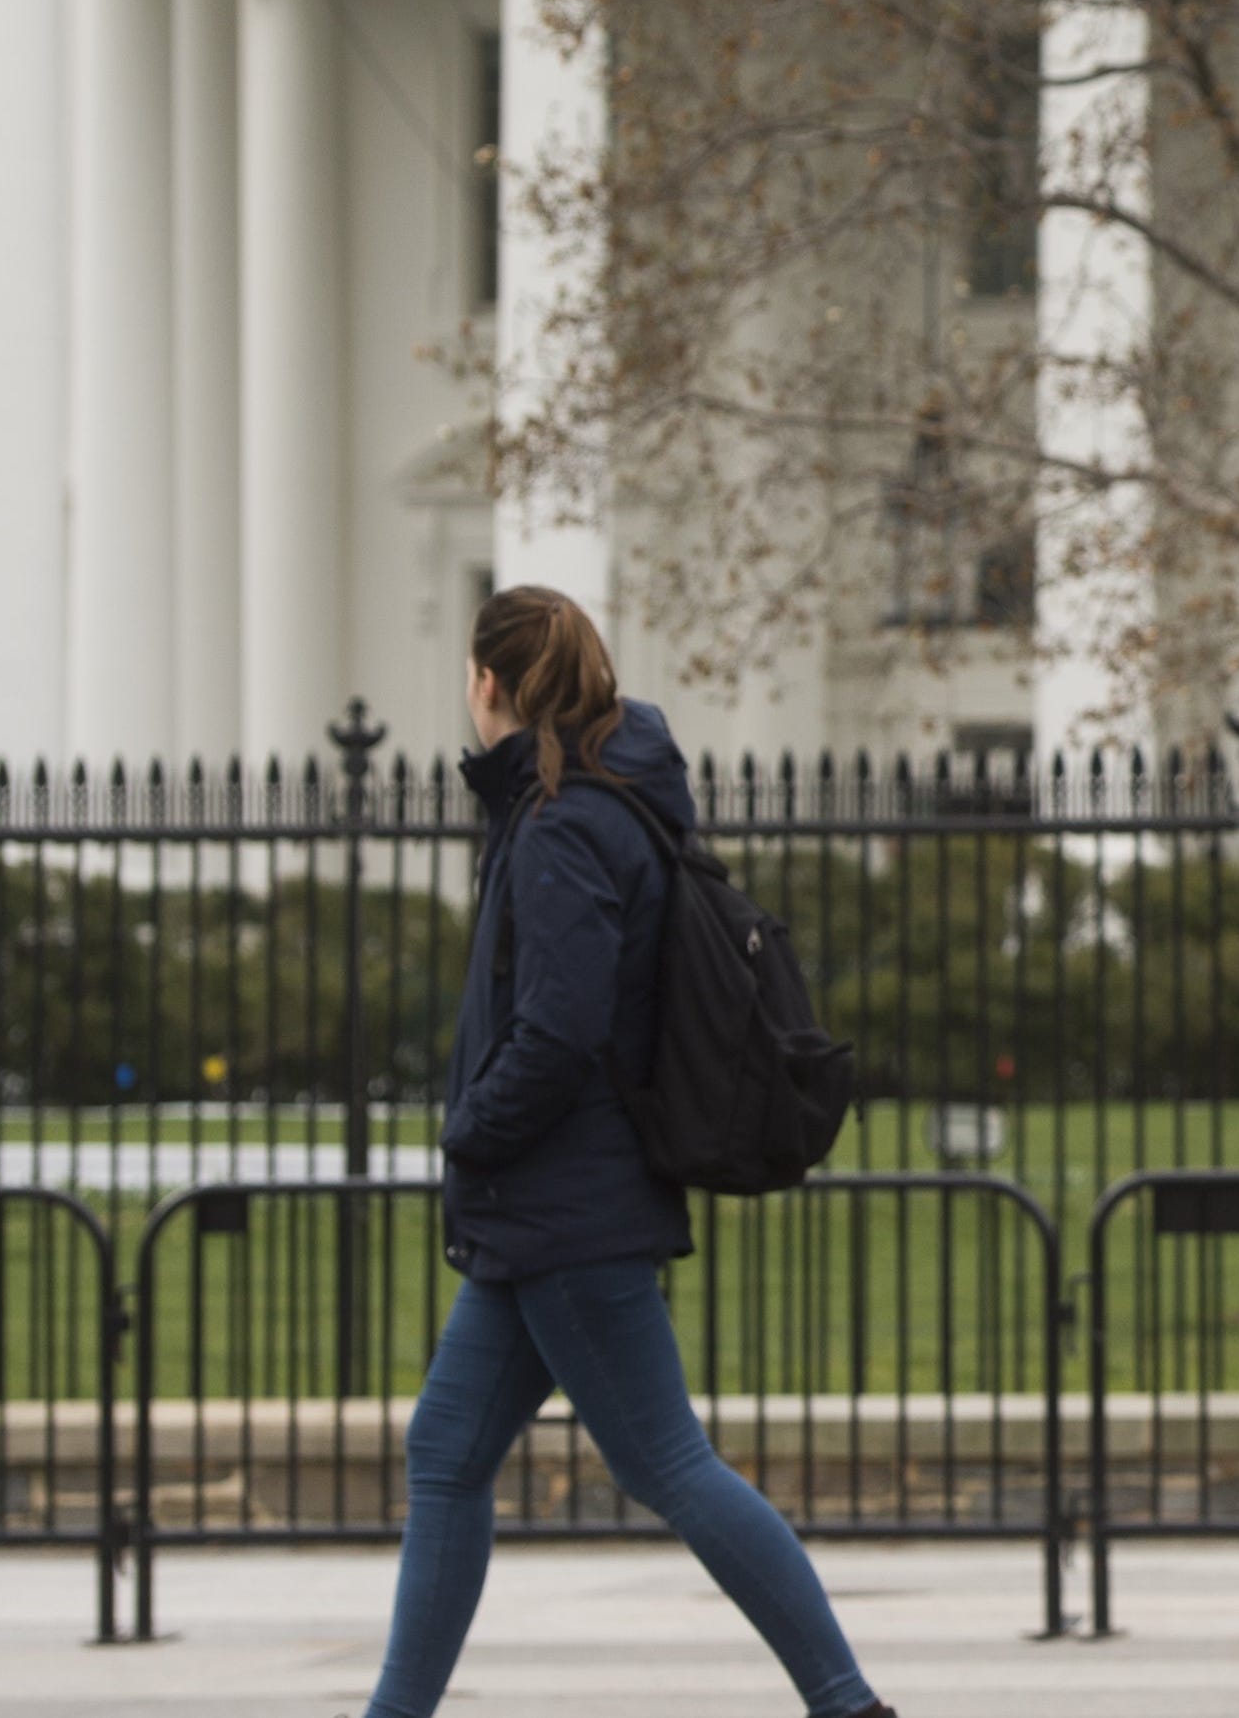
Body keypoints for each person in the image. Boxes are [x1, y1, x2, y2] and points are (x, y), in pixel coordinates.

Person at [357, 586, 896, 1718]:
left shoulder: (562, 827)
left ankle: (851, 1708)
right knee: (448, 1449)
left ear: (489, 686)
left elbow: (560, 1030)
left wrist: (469, 1129)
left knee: (667, 1464)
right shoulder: (606, 804)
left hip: (566, 1203)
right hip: (551, 1207)